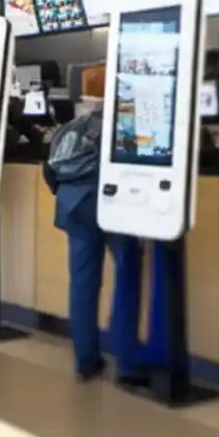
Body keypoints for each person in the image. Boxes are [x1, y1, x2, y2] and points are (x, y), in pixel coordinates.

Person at [42, 100, 144, 385]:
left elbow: (49, 170)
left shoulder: (72, 127)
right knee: (127, 272)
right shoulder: (125, 124)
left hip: (72, 204)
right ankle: (127, 362)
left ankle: (86, 361)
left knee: (83, 282)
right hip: (110, 201)